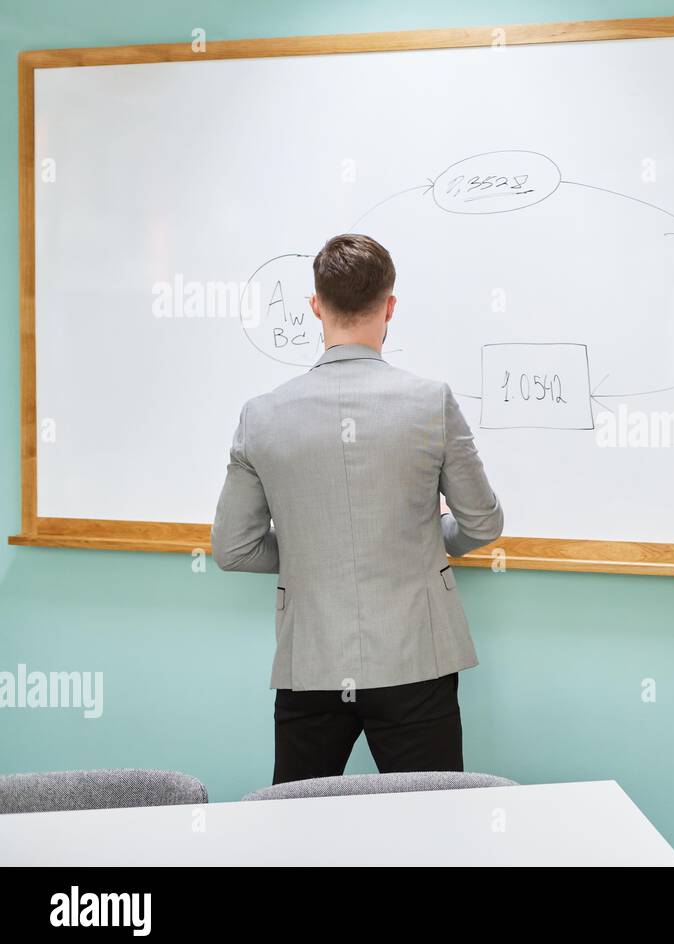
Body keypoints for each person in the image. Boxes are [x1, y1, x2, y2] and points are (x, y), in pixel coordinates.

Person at [211, 233, 503, 784]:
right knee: (437, 827)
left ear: (316, 305)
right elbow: (481, 522)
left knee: (296, 834)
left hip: (310, 663)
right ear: (389, 305)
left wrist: (307, 546)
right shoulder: (430, 402)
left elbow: (232, 549)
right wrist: (422, 536)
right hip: (418, 658)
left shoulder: (261, 416)